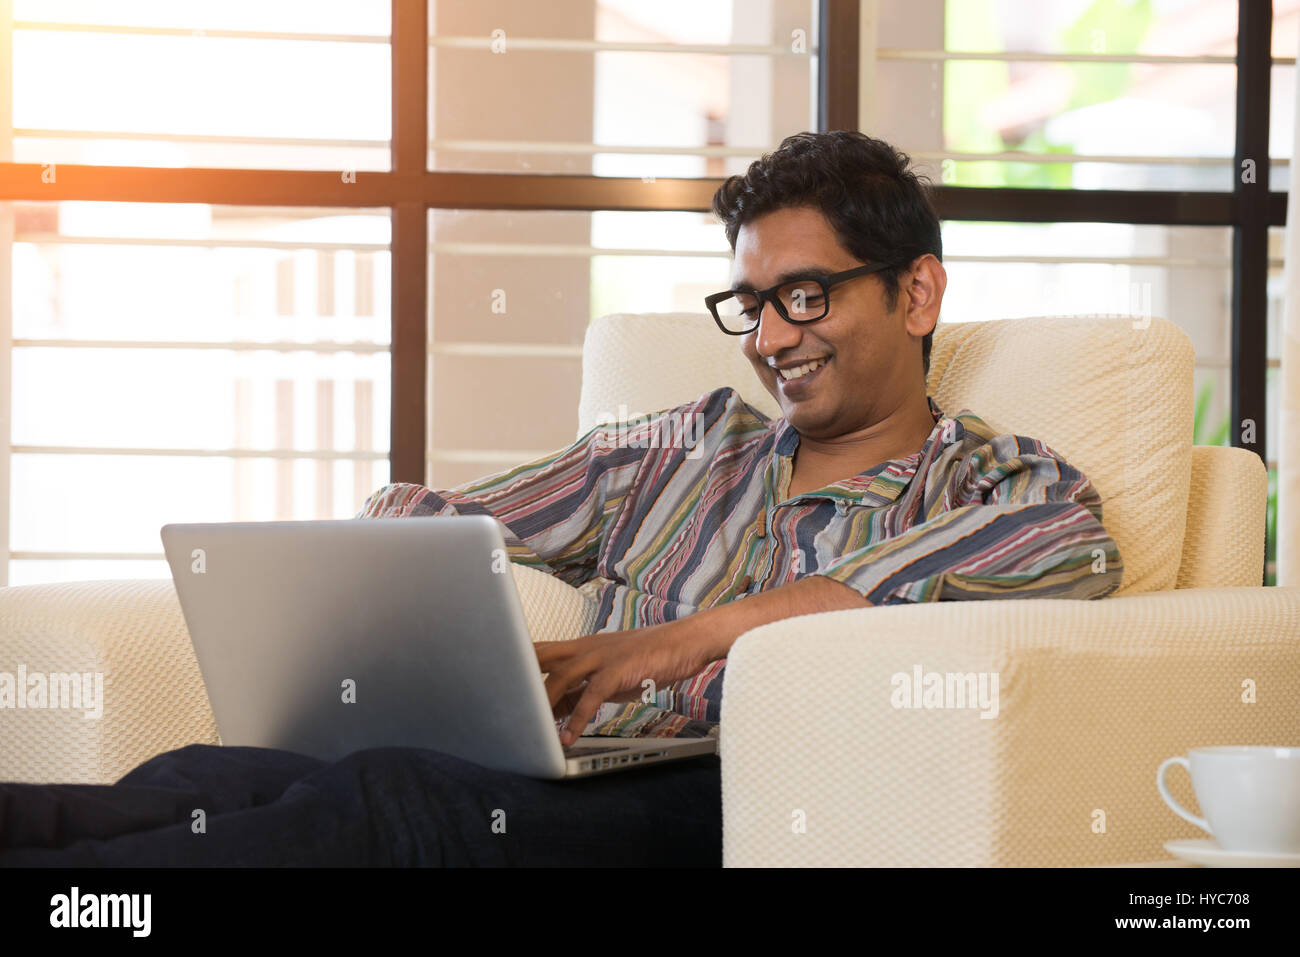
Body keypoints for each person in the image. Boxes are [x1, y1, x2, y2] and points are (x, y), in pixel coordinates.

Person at [0, 130, 1121, 867]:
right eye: (752, 305)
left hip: (742, 803)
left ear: (916, 291)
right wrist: (403, 606)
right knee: (214, 777)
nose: (772, 338)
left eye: (806, 296)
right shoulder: (678, 448)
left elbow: (1067, 549)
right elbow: (431, 520)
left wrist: (681, 644)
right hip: (580, 773)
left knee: (390, 807)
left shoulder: (996, 479)